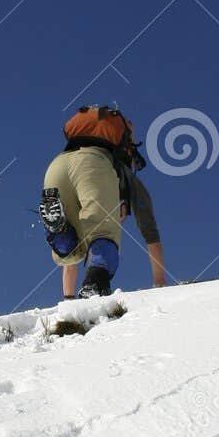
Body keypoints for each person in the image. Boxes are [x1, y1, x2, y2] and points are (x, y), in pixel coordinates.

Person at [39, 104, 164, 299]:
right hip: (92, 165)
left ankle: (60, 234)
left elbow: (71, 266)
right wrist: (160, 283)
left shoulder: (76, 150)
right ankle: (95, 285)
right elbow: (151, 235)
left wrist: (69, 300)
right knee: (103, 233)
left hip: (56, 167)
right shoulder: (124, 173)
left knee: (73, 245)